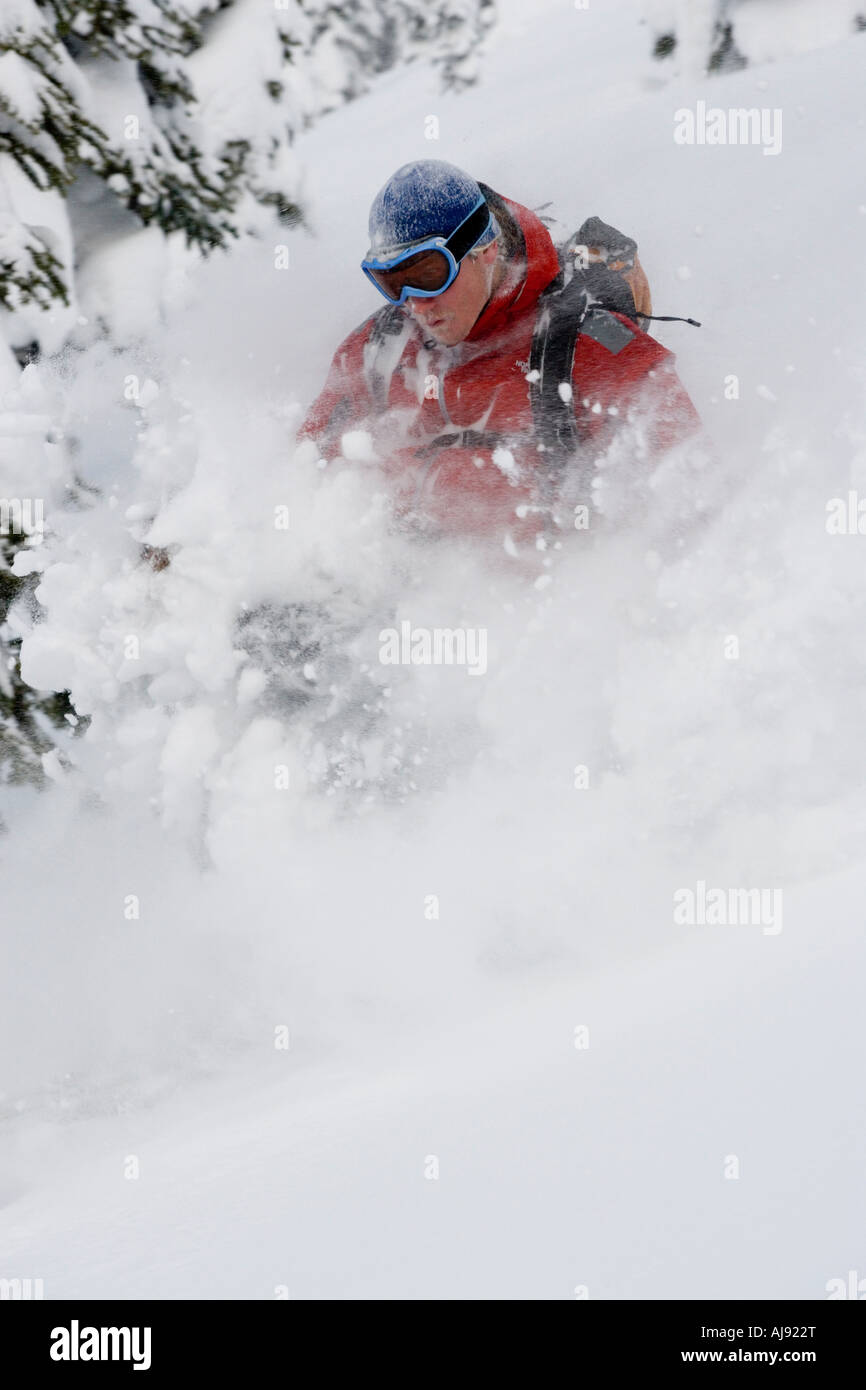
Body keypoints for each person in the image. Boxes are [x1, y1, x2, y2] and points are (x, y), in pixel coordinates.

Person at [300, 159, 701, 539]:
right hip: (402, 585)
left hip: (540, 596)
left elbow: (690, 503)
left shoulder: (591, 349)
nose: (415, 303)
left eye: (429, 273)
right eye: (391, 281)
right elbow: (304, 471)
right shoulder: (381, 349)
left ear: (485, 249)